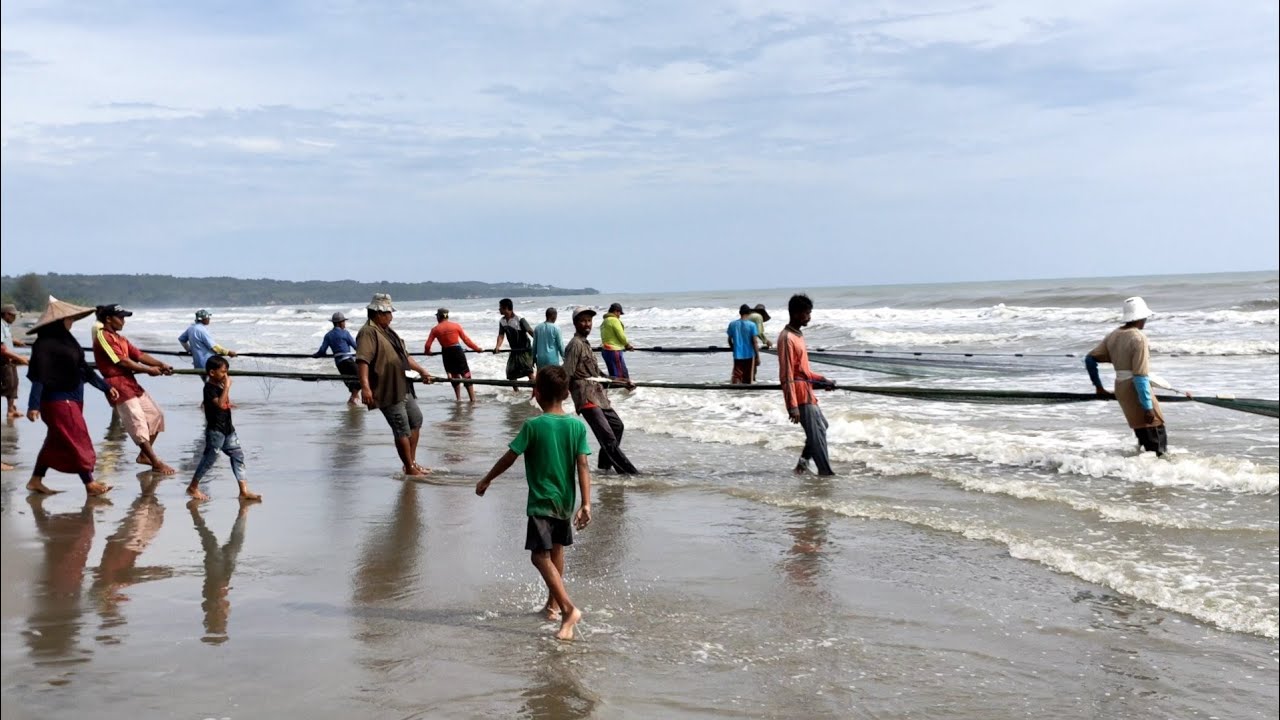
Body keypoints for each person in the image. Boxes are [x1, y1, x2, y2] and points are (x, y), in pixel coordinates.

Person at [475, 366, 592, 641]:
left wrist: (487, 479)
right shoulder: (577, 425)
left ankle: (567, 608)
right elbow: (584, 465)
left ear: (536, 393)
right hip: (565, 502)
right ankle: (551, 607)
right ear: (565, 394)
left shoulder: (533, 426)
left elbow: (509, 457)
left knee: (539, 556)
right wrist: (586, 503)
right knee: (556, 552)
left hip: (541, 502)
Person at [23, 296, 118, 496]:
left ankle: (35, 480)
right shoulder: (44, 345)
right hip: (56, 401)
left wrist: (106, 387)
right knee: (78, 438)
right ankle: (90, 484)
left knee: (56, 441)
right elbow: (39, 376)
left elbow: (84, 369)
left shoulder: (69, 341)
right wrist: (33, 406)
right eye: (69, 319)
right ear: (59, 321)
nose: (71, 322)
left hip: (74, 397)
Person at [1085, 296, 1176, 457]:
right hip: (1136, 390)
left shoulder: (1114, 335)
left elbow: (1090, 359)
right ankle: (1155, 475)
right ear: (1141, 318)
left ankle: (1141, 476)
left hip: (1121, 388)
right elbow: (1140, 376)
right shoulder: (1138, 338)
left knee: (1142, 435)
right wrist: (1148, 407)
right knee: (1156, 439)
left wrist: (1099, 387)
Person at [91, 304, 177, 475]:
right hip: (117, 384)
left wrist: (160, 364)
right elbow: (122, 361)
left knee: (155, 415)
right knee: (137, 422)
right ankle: (156, 462)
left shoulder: (121, 339)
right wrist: (148, 370)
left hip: (130, 381)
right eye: (120, 317)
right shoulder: (103, 337)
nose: (123, 321)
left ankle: (144, 455)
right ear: (108, 319)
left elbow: (139, 355)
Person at [356, 293, 435, 476]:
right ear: (378, 313)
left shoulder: (389, 331)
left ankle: (412, 463)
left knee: (416, 420)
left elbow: (404, 357)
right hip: (386, 388)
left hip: (402, 385)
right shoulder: (368, 332)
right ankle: (409, 468)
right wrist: (366, 388)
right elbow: (362, 361)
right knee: (401, 427)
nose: (391, 316)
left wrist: (422, 371)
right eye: (389, 312)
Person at [563, 306, 638, 474]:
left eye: (589, 321)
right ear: (575, 323)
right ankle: (630, 474)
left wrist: (623, 381)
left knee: (617, 426)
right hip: (586, 398)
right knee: (608, 438)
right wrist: (559, 398)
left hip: (599, 397)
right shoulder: (575, 345)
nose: (587, 324)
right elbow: (566, 373)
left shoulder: (586, 344)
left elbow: (599, 375)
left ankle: (604, 467)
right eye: (582, 321)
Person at [187, 356, 262, 502]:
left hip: (228, 429)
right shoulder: (208, 388)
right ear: (212, 373)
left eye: (227, 372)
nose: (226, 376)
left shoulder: (219, 386)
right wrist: (227, 386)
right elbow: (220, 404)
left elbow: (224, 403)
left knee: (238, 456)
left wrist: (228, 398)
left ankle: (243, 491)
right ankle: (193, 487)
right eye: (223, 372)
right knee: (209, 459)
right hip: (216, 431)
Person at [777, 293, 836, 476]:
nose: (809, 317)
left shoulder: (798, 336)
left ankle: (802, 464)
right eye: (806, 313)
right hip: (800, 396)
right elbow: (786, 374)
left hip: (807, 391)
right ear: (795, 314)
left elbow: (803, 371)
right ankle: (826, 474)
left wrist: (822, 380)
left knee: (822, 427)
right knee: (817, 437)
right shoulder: (787, 338)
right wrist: (792, 406)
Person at [425, 308, 483, 403]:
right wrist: (477, 349)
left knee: (454, 376)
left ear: (439, 317)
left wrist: (428, 352)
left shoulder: (435, 329)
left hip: (446, 353)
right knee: (466, 374)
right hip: (457, 351)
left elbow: (427, 345)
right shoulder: (456, 326)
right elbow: (466, 340)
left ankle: (458, 399)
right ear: (447, 316)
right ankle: (473, 399)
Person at [314, 312, 361, 405]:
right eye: (344, 322)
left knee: (350, 381)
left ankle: (354, 400)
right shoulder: (345, 333)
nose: (345, 324)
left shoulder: (328, 335)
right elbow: (356, 347)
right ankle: (353, 398)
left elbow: (322, 350)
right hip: (348, 360)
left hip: (339, 363)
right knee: (362, 377)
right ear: (340, 323)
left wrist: (315, 355)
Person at [178, 309, 236, 376]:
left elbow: (181, 339)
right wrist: (228, 352)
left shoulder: (191, 328)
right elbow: (214, 347)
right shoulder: (202, 330)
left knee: (209, 383)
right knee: (220, 382)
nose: (209, 319)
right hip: (208, 363)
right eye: (207, 317)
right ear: (203, 319)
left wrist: (190, 350)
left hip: (197, 364)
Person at [494, 298, 535, 391]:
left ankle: (536, 391)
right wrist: (497, 347)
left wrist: (538, 343)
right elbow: (501, 335)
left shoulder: (519, 318)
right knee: (511, 372)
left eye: (500, 307)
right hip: (514, 350)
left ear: (506, 308)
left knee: (528, 370)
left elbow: (530, 331)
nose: (499, 309)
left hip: (525, 349)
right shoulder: (502, 321)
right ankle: (516, 392)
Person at [1, 302, 29, 419]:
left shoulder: (5, 325)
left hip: (10, 360)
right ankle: (10, 410)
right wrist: (20, 358)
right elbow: (2, 349)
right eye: (13, 315)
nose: (15, 317)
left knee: (14, 384)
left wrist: (16, 341)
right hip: (3, 361)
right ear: (6, 314)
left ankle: (11, 409)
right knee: (8, 385)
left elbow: (7, 338)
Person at [599, 302, 634, 382]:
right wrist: (627, 345)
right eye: (619, 313)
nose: (619, 316)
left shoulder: (604, 321)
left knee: (614, 376)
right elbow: (621, 335)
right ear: (616, 311)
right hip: (614, 351)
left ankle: (616, 394)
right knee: (622, 377)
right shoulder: (614, 320)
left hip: (605, 351)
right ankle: (626, 393)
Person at [727, 304, 761, 384]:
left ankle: (736, 394)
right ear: (749, 313)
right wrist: (757, 356)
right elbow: (754, 342)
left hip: (737, 354)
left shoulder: (732, 324)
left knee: (737, 376)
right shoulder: (752, 325)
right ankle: (746, 395)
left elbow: (729, 340)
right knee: (748, 378)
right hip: (749, 354)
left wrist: (733, 348)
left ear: (740, 313)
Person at [532, 307, 565, 372]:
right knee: (553, 379)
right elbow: (560, 346)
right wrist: (565, 359)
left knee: (542, 379)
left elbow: (534, 346)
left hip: (540, 360)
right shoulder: (556, 328)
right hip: (552, 360)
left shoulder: (537, 328)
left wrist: (533, 358)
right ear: (554, 316)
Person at [747, 303, 773, 379]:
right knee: (753, 367)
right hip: (750, 344)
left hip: (742, 343)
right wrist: (766, 341)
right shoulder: (758, 317)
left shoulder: (749, 316)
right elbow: (758, 332)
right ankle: (752, 384)